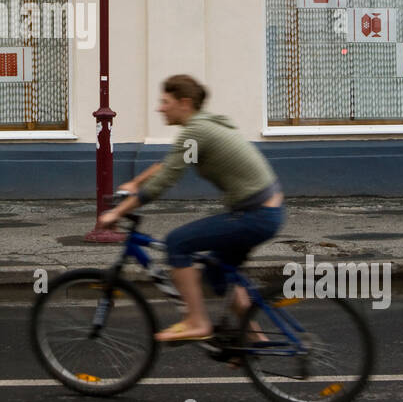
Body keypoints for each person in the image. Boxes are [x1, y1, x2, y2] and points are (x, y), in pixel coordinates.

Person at [95, 74, 284, 342]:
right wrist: (136, 182)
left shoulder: (196, 131)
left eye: (165, 102)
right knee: (219, 274)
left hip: (256, 215)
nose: (160, 108)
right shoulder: (203, 127)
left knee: (177, 243)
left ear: (184, 103)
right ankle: (256, 342)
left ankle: (196, 321)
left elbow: (164, 182)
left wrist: (117, 212)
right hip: (264, 212)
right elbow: (171, 163)